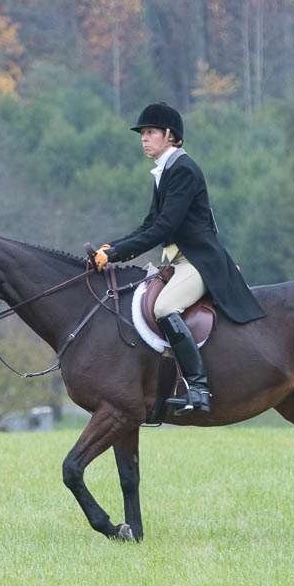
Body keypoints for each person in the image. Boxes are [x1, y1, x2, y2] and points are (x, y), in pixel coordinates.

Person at [90, 102, 266, 415]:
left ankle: (197, 387)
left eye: (151, 132)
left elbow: (164, 228)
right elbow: (148, 225)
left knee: (164, 307)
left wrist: (116, 253)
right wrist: (109, 248)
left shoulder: (183, 170)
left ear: (171, 136)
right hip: (178, 260)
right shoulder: (165, 172)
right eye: (142, 134)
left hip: (199, 261)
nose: (144, 139)